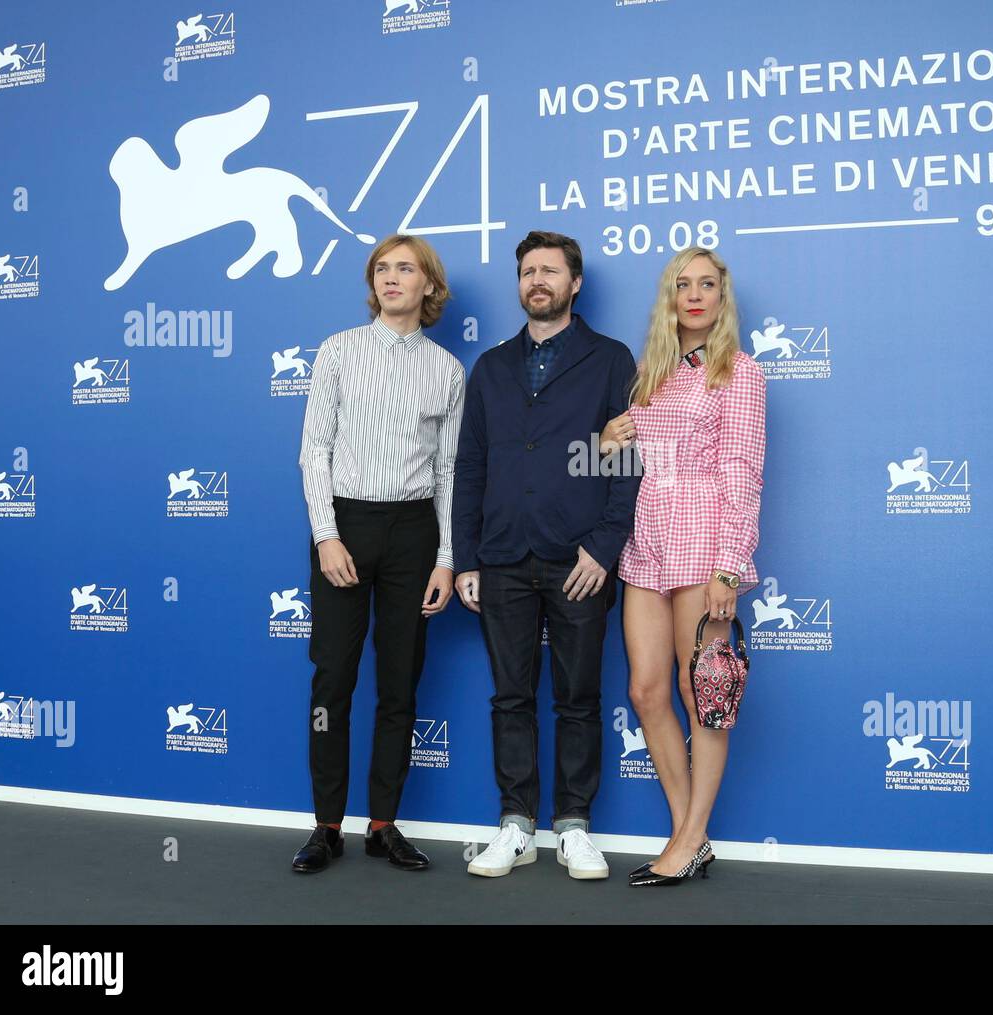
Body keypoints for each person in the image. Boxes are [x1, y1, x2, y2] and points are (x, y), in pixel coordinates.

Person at [453, 230, 640, 880]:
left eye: (550, 271)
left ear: (575, 283)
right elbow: (469, 466)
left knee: (579, 698)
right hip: (501, 554)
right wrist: (466, 557)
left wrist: (606, 546)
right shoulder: (491, 366)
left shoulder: (612, 360)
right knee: (509, 697)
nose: (538, 280)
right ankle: (515, 824)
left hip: (579, 558)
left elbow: (628, 460)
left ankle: (574, 827)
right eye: (528, 271)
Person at [291, 234, 465, 873]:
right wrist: (326, 534)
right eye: (382, 269)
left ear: (429, 286)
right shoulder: (338, 351)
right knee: (332, 679)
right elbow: (316, 449)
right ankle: (326, 827)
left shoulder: (448, 371)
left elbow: (448, 472)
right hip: (346, 524)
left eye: (405, 269)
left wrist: (446, 558)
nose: (391, 278)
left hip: (415, 535)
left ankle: (384, 824)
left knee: (400, 683)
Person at [602, 248, 766, 886]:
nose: (694, 295)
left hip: (705, 544)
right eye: (681, 285)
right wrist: (607, 445)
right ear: (668, 298)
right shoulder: (651, 372)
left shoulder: (739, 373)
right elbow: (617, 463)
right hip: (646, 543)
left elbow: (744, 473)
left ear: (723, 296)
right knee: (646, 689)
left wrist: (731, 564)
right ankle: (686, 833)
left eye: (706, 284)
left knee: (706, 699)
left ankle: (690, 838)